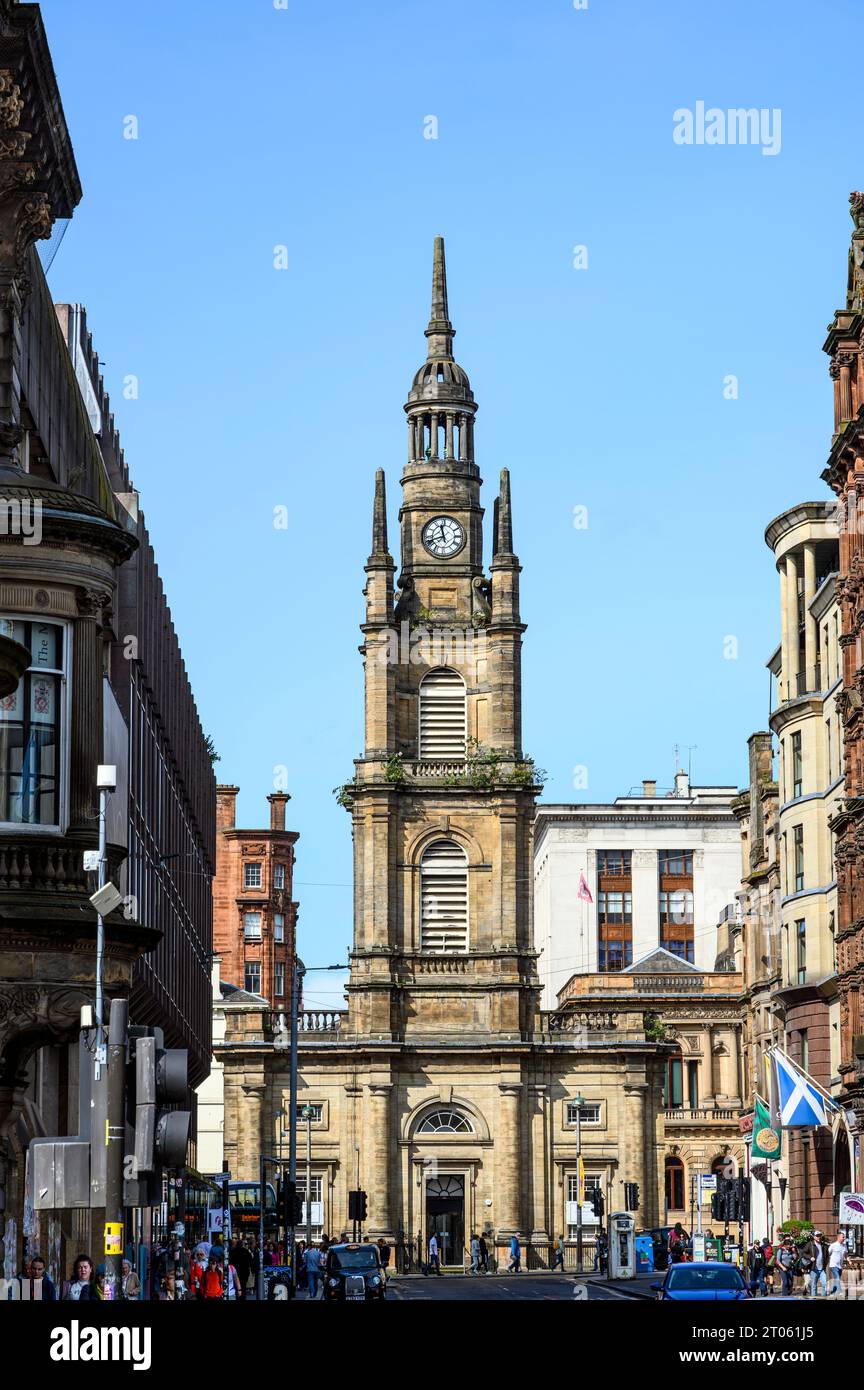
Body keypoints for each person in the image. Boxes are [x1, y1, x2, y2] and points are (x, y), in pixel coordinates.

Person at [800, 1230, 829, 1298]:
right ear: (814, 1237)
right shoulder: (810, 1244)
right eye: (817, 1236)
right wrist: (810, 1258)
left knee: (824, 1284)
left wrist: (825, 1263)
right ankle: (814, 1298)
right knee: (813, 1285)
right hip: (813, 1268)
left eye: (820, 1235)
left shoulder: (823, 1245)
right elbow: (803, 1253)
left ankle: (823, 1298)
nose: (819, 1237)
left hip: (822, 1269)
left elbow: (827, 1256)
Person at [828, 1232, 847, 1297]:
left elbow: (845, 1255)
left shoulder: (844, 1246)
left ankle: (832, 1293)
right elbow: (828, 1254)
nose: (844, 1238)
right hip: (833, 1265)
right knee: (837, 1279)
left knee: (836, 1280)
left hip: (840, 1266)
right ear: (838, 1237)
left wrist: (849, 1260)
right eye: (843, 1237)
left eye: (844, 1237)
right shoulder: (833, 1245)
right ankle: (840, 1292)